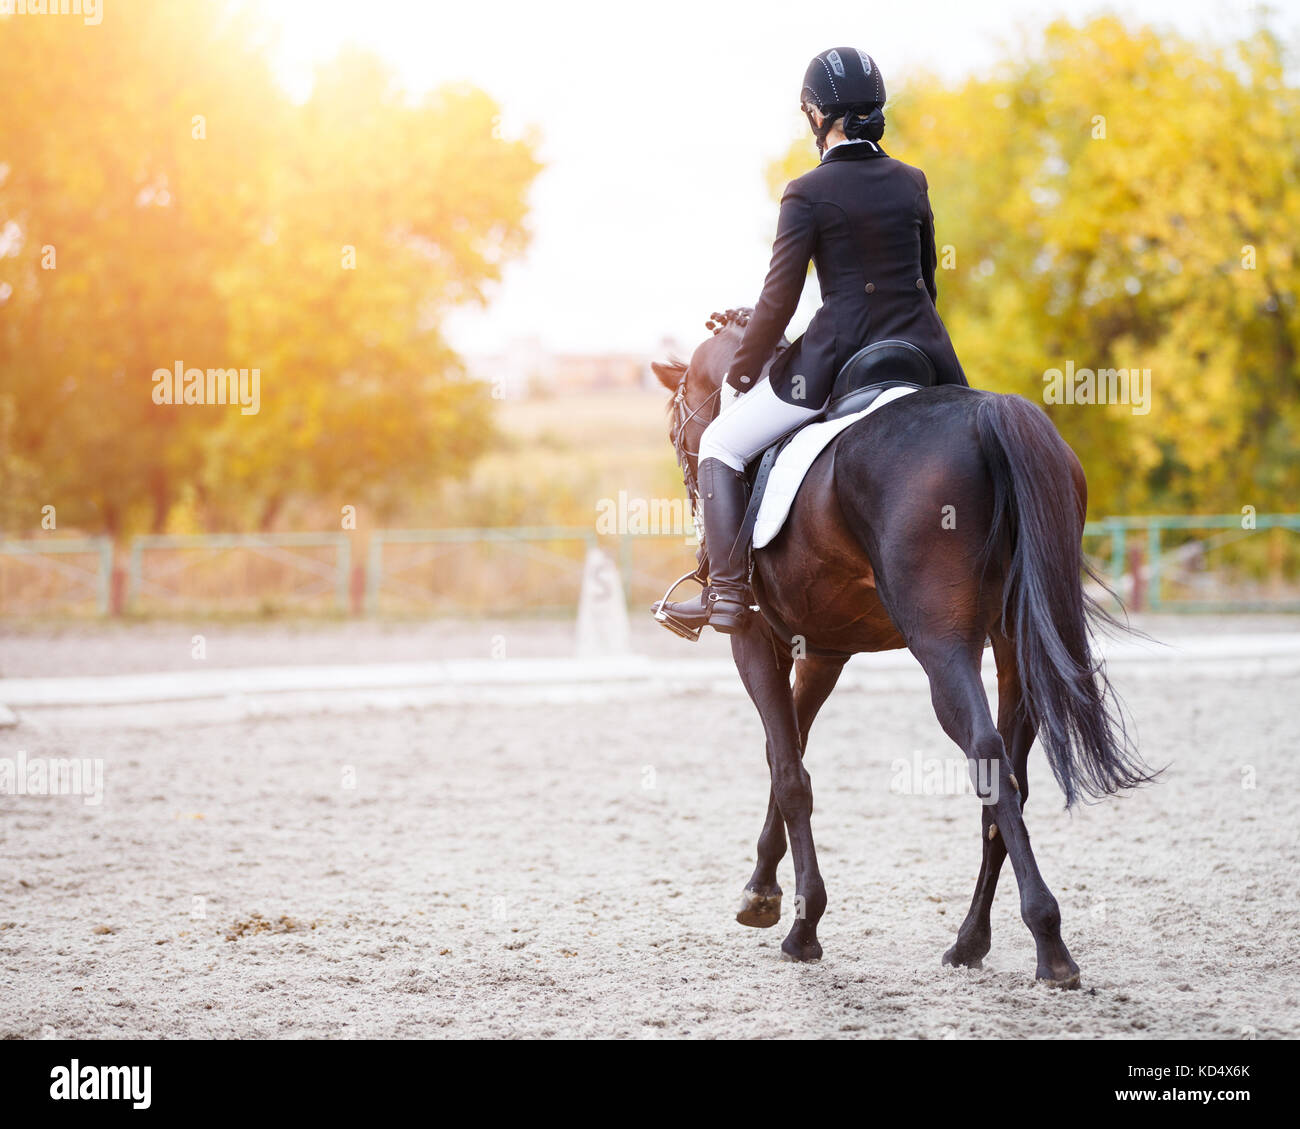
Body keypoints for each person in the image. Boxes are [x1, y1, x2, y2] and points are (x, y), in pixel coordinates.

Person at [657, 47, 970, 635]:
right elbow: (927, 282)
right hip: (926, 353)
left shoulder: (806, 191)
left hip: (839, 358)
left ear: (813, 115)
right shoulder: (911, 181)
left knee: (722, 445)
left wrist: (740, 375)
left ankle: (725, 594)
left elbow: (777, 304)